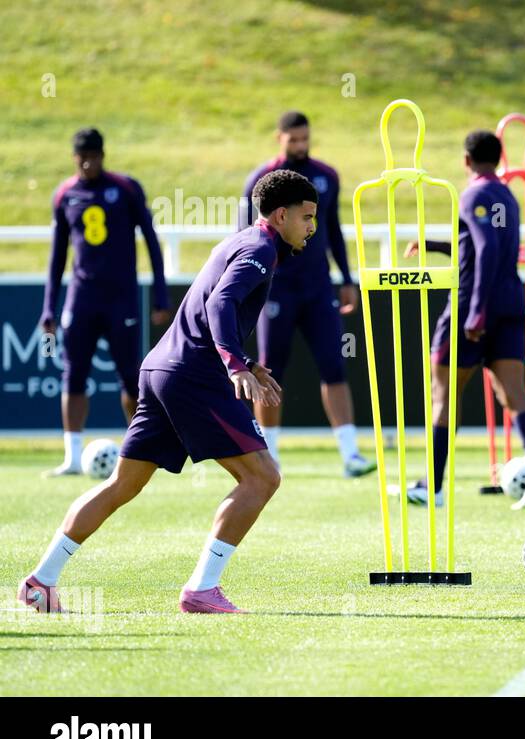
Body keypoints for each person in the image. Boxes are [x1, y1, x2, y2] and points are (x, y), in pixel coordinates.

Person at [18, 170, 316, 614]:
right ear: (280, 215)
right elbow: (220, 303)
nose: (312, 227)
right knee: (262, 478)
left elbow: (208, 308)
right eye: (307, 217)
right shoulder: (260, 249)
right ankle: (202, 589)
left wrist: (247, 362)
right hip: (194, 376)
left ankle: (40, 580)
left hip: (160, 368)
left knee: (123, 484)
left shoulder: (240, 242)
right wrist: (235, 364)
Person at [403, 130, 525, 510]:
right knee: (514, 393)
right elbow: (483, 245)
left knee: (444, 396)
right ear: (500, 158)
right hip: (510, 304)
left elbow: (486, 248)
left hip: (472, 306)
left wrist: (475, 311)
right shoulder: (508, 196)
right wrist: (435, 245)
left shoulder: (473, 194)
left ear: (466, 161)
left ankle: (432, 486)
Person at [241, 111, 374, 477]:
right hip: (276, 288)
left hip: (317, 287)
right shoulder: (261, 181)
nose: (300, 146)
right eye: (293, 140)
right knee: (269, 369)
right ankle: (268, 455)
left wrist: (346, 277)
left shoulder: (326, 176)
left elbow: (333, 229)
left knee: (334, 365)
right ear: (279, 138)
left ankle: (350, 454)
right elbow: (245, 237)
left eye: (305, 138)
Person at [40, 128, 170, 476]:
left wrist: (160, 294)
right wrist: (49, 306)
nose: (88, 163)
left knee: (130, 377)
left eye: (94, 157)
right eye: (82, 158)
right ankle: (71, 457)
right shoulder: (65, 194)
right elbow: (57, 255)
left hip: (121, 299)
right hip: (81, 298)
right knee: (73, 375)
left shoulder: (125, 188)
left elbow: (152, 241)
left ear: (103, 155)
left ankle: (141, 453)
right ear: (74, 157)